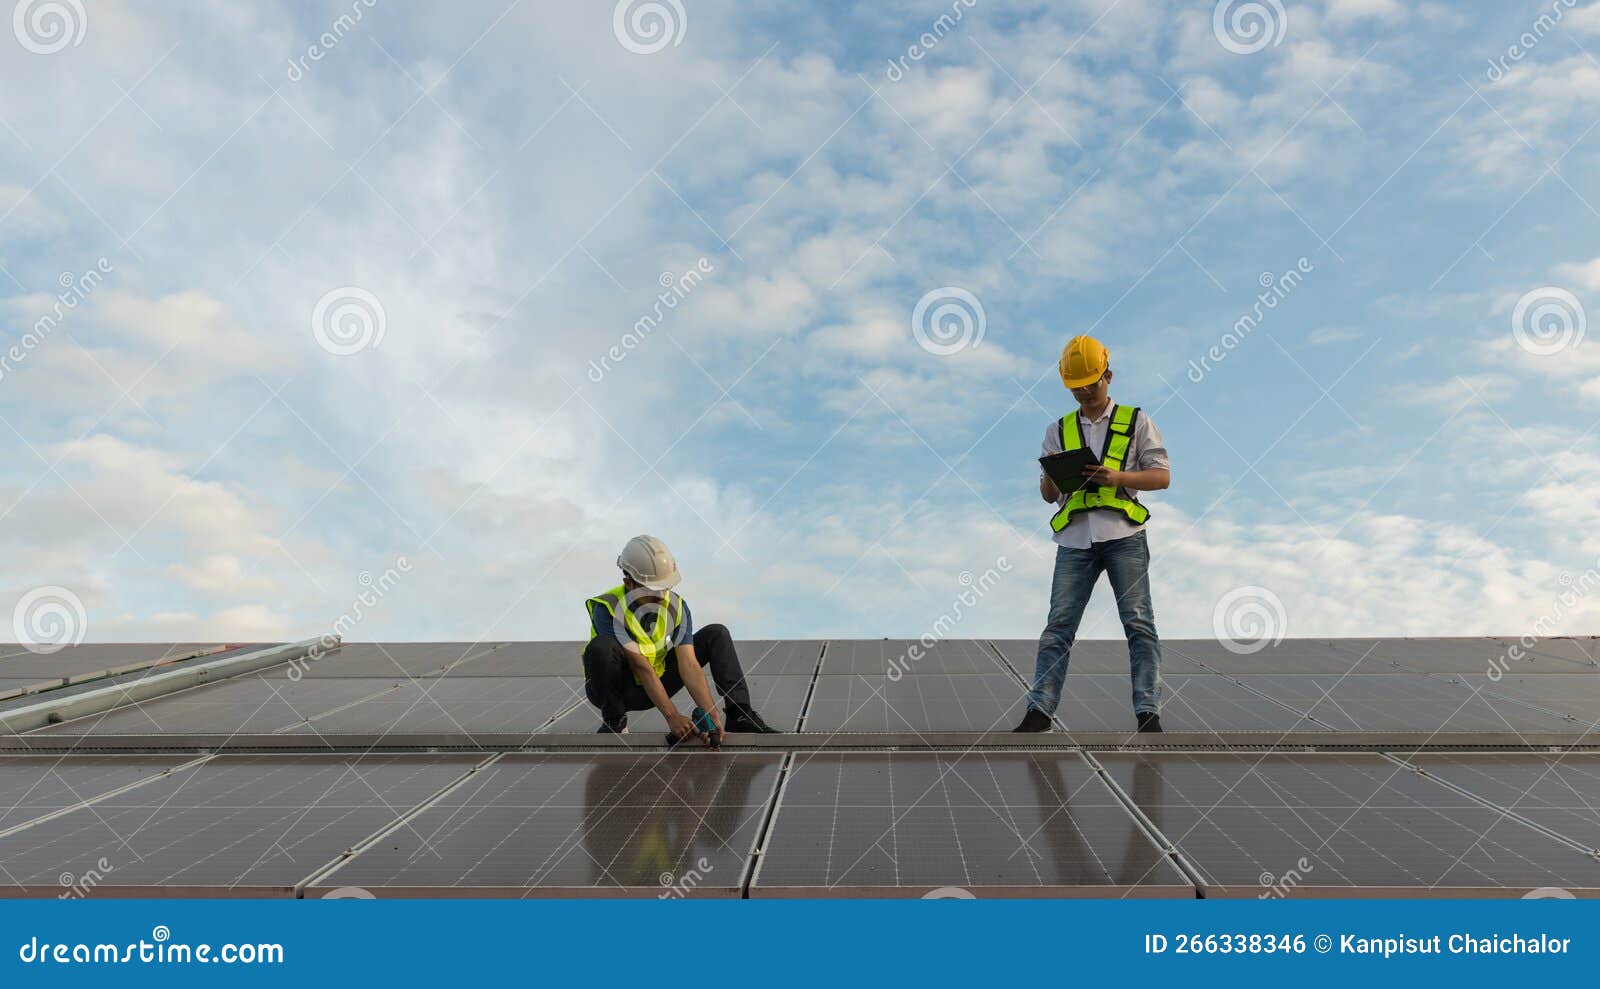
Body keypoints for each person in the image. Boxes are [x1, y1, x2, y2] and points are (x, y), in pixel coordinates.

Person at [1014, 336, 1171, 734]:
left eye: (1091, 383)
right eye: (1076, 386)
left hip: (1124, 536)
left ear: (1108, 376)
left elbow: (1162, 476)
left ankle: (1147, 713)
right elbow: (1050, 497)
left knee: (1138, 623)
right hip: (1075, 540)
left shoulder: (1137, 421)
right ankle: (1039, 713)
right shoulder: (1057, 430)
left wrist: (1117, 477)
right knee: (1058, 626)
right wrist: (1051, 475)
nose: (1084, 391)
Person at [582, 534, 777, 742]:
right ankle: (614, 721)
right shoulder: (608, 607)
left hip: (656, 683)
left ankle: (739, 715)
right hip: (619, 690)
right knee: (601, 647)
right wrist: (672, 716)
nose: (660, 596)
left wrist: (711, 715)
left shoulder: (676, 607)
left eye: (665, 587)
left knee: (716, 633)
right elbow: (640, 665)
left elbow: (689, 665)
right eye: (652, 590)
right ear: (629, 583)